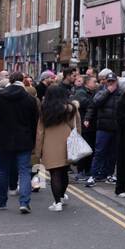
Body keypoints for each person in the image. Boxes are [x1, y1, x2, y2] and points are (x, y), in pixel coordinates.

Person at [0, 72, 39, 214]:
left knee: (2, 170)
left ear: (10, 81)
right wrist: (33, 140)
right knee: (24, 171)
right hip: (24, 139)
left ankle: (1, 201)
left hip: (4, 139)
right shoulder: (30, 99)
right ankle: (24, 203)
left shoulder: (0, 96)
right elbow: (35, 123)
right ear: (22, 81)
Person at [35, 83, 80, 211]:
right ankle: (61, 195)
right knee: (64, 171)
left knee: (54, 173)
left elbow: (40, 132)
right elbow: (76, 127)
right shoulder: (71, 108)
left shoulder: (45, 110)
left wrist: (38, 151)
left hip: (50, 143)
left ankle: (57, 202)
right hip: (67, 141)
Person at [86, 69, 121, 186]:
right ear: (106, 82)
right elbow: (95, 102)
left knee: (113, 154)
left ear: (116, 81)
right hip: (103, 127)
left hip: (116, 128)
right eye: (109, 81)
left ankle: (109, 174)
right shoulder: (101, 91)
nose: (111, 83)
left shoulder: (120, 92)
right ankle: (93, 175)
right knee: (99, 152)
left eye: (113, 81)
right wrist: (107, 92)